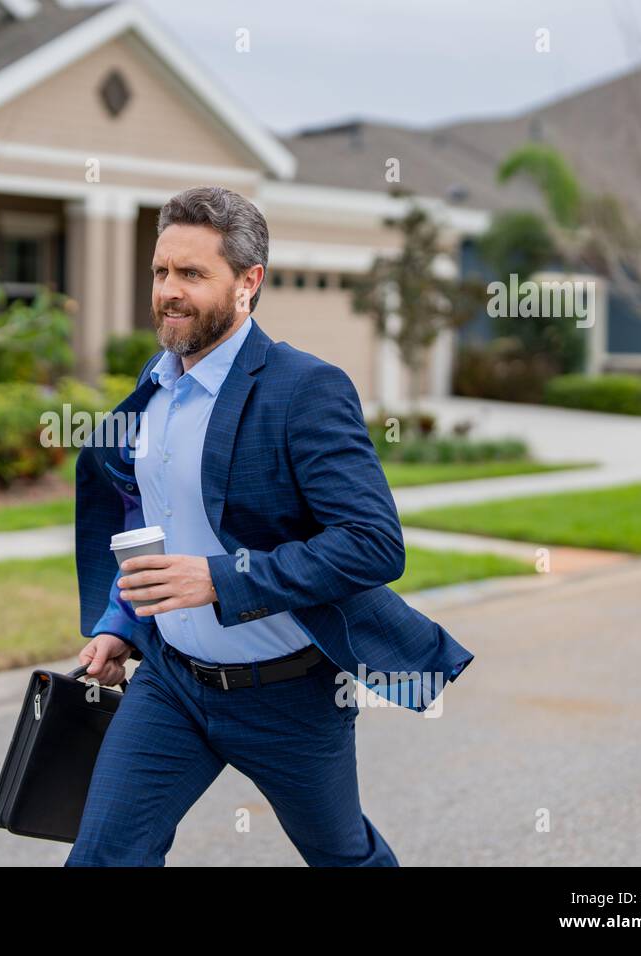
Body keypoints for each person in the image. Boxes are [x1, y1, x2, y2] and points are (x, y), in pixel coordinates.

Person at [66, 185, 474, 866]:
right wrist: (123, 621)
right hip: (171, 684)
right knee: (103, 856)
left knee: (343, 857)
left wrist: (221, 581)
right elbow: (150, 520)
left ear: (248, 283)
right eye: (162, 271)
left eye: (192, 274)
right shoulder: (157, 384)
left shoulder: (302, 389)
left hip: (286, 693)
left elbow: (372, 544)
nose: (169, 290)